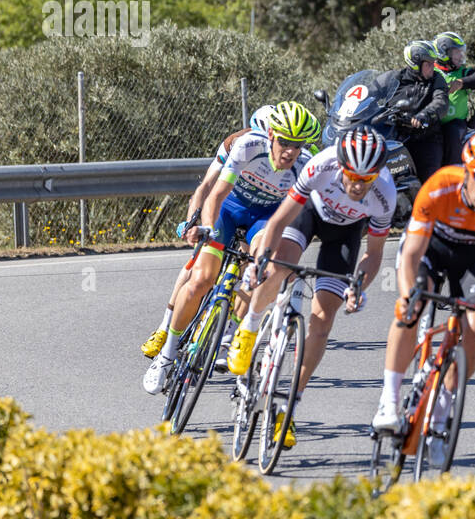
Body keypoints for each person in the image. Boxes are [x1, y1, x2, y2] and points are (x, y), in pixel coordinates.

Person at [228, 125, 395, 449]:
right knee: (278, 267)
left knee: (321, 321)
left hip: (344, 236)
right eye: (353, 177)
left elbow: (373, 255)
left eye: (367, 180)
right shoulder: (322, 165)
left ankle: (287, 409)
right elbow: (277, 222)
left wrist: (357, 286)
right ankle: (248, 330)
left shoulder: (384, 194)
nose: (359, 186)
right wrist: (259, 261)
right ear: (342, 166)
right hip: (308, 216)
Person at [372, 129, 475, 468]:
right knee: (409, 310)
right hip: (430, 249)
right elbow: (411, 253)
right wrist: (408, 293)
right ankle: (389, 401)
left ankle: (440, 414)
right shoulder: (441, 184)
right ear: (468, 170)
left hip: (471, 257)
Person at [142, 102, 319, 395]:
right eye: (285, 142)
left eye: (298, 145)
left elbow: (288, 220)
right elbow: (216, 194)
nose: (290, 151)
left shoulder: (303, 167)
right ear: (271, 135)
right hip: (229, 209)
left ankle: (227, 334)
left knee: (261, 268)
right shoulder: (248, 145)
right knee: (201, 279)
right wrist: (207, 229)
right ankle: (166, 355)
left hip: (265, 218)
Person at [140, 104, 277, 360]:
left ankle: (228, 331)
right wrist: (193, 220)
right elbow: (205, 188)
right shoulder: (235, 144)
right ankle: (164, 326)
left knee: (251, 265)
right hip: (229, 205)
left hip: (258, 214)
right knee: (195, 264)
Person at [367, 41, 449, 185]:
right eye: (428, 64)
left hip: (425, 137)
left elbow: (441, 102)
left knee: (430, 180)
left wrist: (424, 115)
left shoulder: (437, 79)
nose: (433, 67)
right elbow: (369, 93)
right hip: (393, 135)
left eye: (433, 63)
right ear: (415, 64)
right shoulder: (393, 78)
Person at [433, 32, 475, 166]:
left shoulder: (462, 72)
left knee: (452, 132)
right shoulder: (433, 72)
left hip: (456, 124)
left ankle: (454, 170)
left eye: (461, 52)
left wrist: (461, 83)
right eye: (456, 52)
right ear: (443, 53)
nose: (460, 56)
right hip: (434, 123)